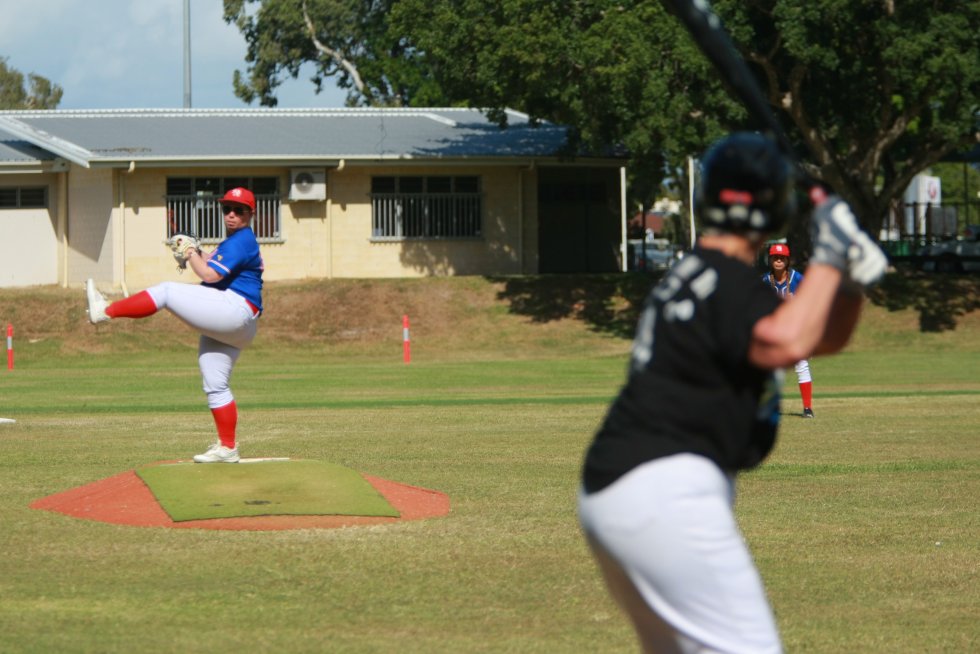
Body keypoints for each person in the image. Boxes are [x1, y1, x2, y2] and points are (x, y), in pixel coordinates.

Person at [578, 132, 887, 653]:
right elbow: (782, 342)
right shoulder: (729, 284)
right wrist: (832, 254)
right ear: (776, 209)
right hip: (666, 492)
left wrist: (849, 282)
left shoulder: (702, 277)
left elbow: (816, 337)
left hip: (622, 489)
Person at [85, 187, 264, 463]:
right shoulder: (237, 241)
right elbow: (211, 265)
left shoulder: (241, 240)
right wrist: (196, 251)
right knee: (215, 383)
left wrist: (190, 252)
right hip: (241, 323)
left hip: (235, 308)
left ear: (250, 214)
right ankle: (227, 447)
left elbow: (208, 274)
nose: (231, 214)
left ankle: (104, 311)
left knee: (166, 292)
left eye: (239, 210)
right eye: (227, 208)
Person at [762, 243, 815, 417]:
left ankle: (807, 408)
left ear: (787, 260)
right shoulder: (764, 281)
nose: (778, 260)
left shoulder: (797, 278)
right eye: (775, 257)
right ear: (770, 260)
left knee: (802, 366)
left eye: (781, 257)